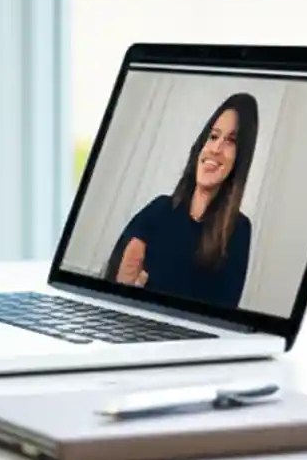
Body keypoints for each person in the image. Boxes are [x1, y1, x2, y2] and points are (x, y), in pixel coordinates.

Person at [104, 93, 259, 310]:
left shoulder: (239, 230)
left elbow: (222, 314)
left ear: (240, 159)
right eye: (213, 136)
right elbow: (115, 282)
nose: (216, 149)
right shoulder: (159, 209)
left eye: (231, 141)